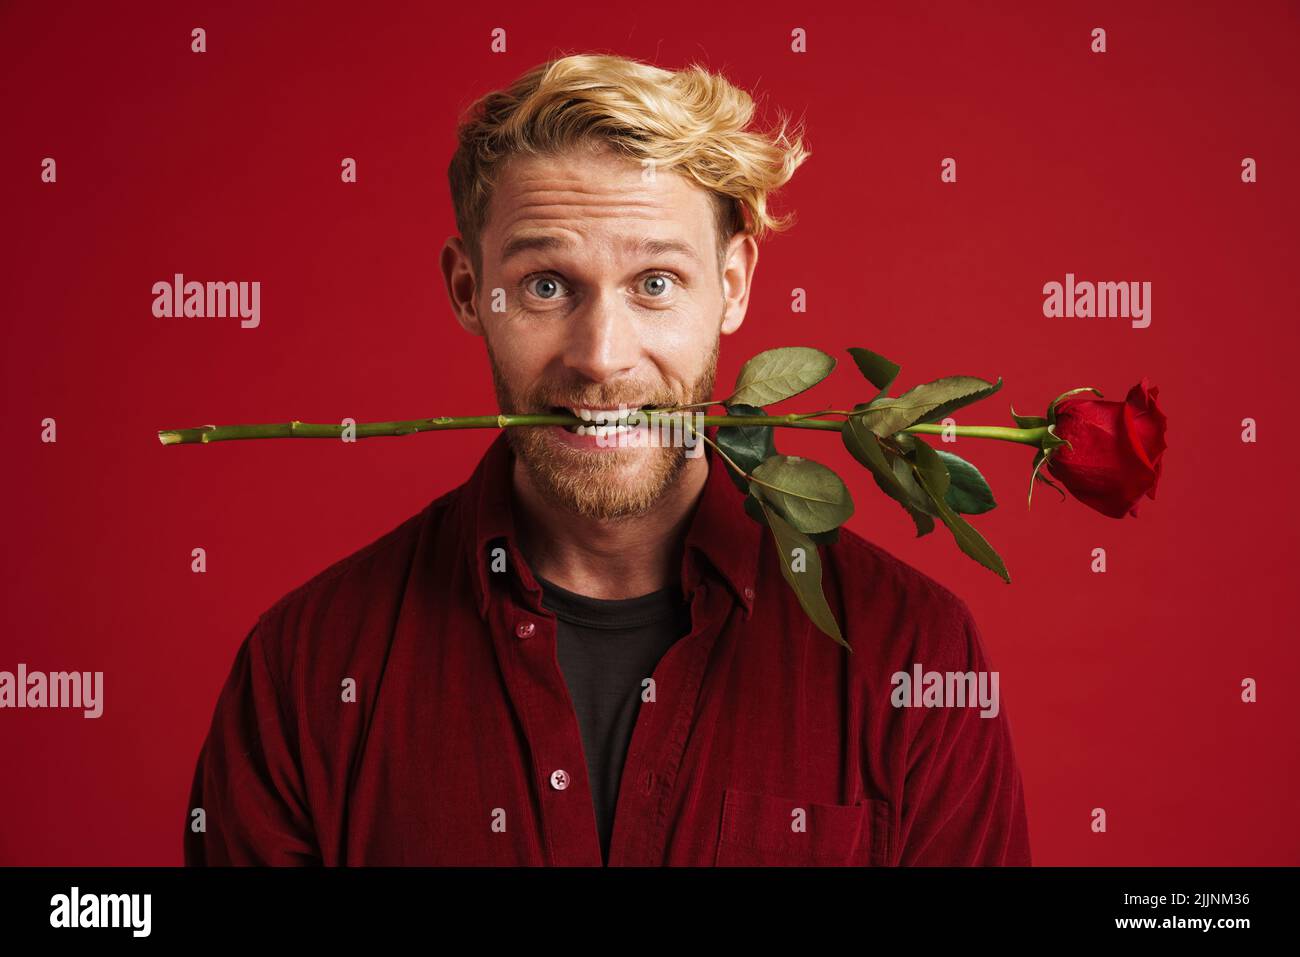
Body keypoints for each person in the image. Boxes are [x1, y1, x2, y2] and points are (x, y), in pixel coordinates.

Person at [184, 53, 1031, 866]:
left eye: (655, 282)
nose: (600, 356)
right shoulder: (304, 670)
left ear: (732, 285)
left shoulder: (916, 656)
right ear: (468, 289)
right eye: (547, 284)